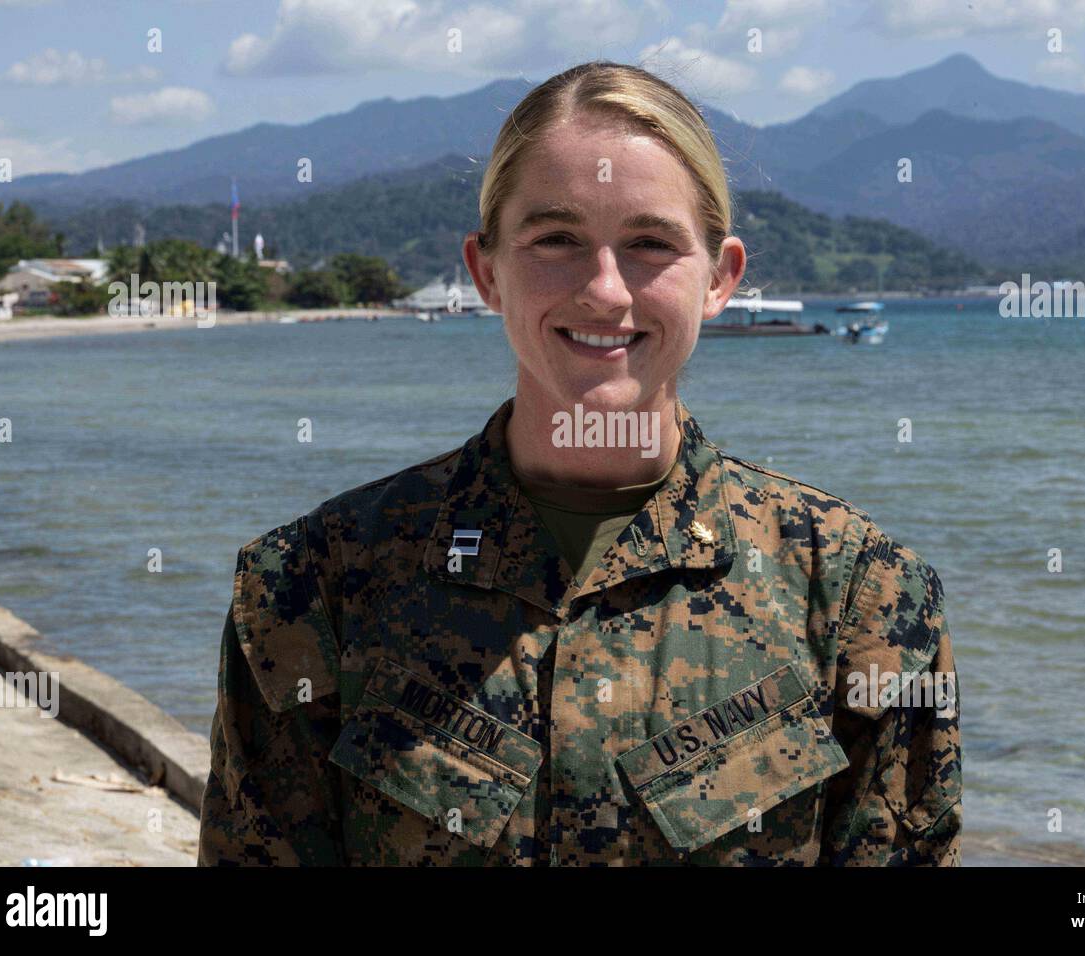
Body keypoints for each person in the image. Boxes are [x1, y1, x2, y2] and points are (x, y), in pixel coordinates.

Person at [198, 60, 962, 866]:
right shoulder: (314, 585)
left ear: (720, 278)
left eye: (649, 244)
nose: (604, 290)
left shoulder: (861, 596)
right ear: (486, 271)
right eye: (556, 239)